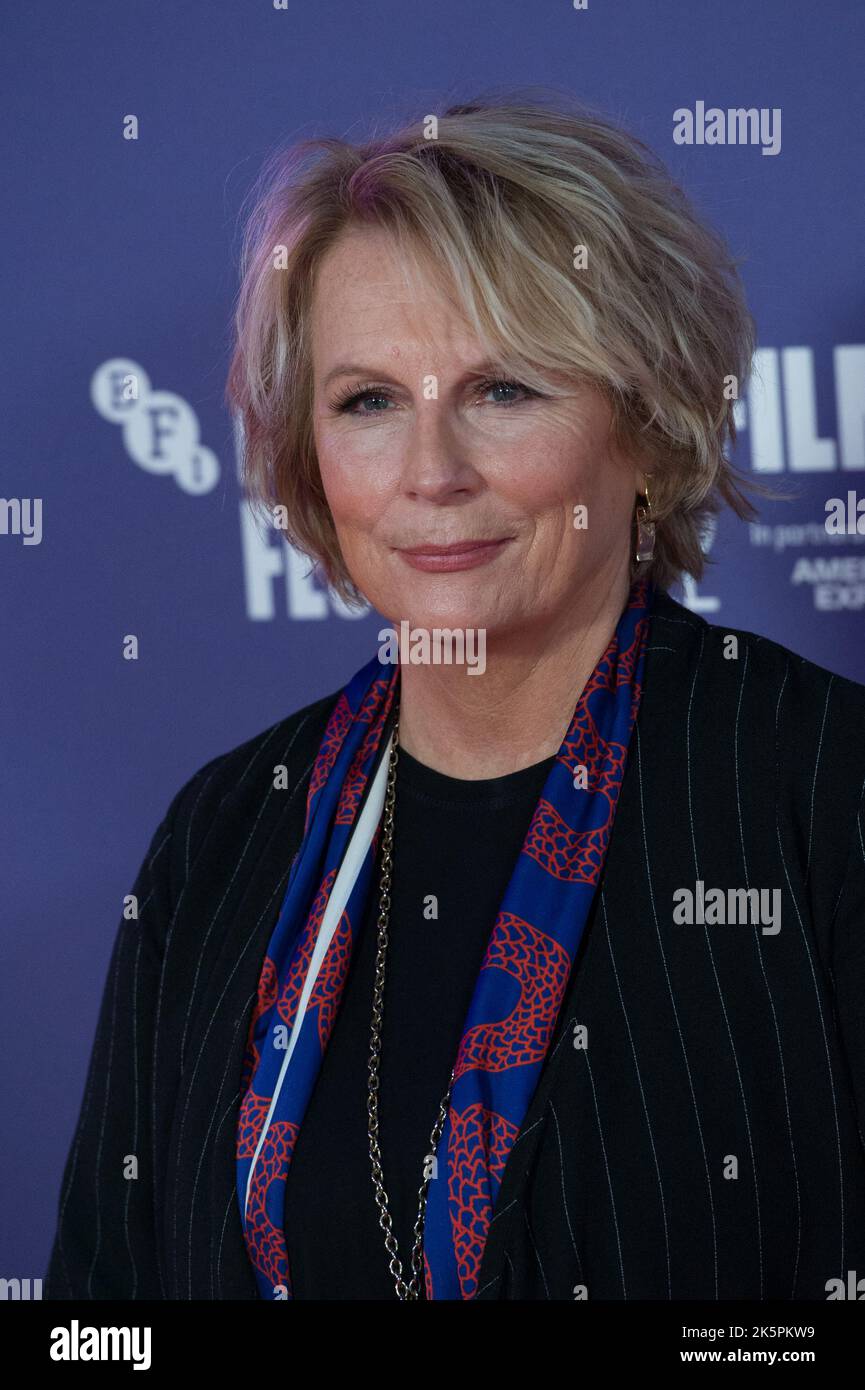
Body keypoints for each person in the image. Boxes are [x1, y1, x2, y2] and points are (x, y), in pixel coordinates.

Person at [46, 94, 865, 1302]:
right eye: (368, 401)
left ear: (642, 427)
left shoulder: (825, 792)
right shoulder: (224, 838)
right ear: (308, 463)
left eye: (503, 390)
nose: (430, 474)